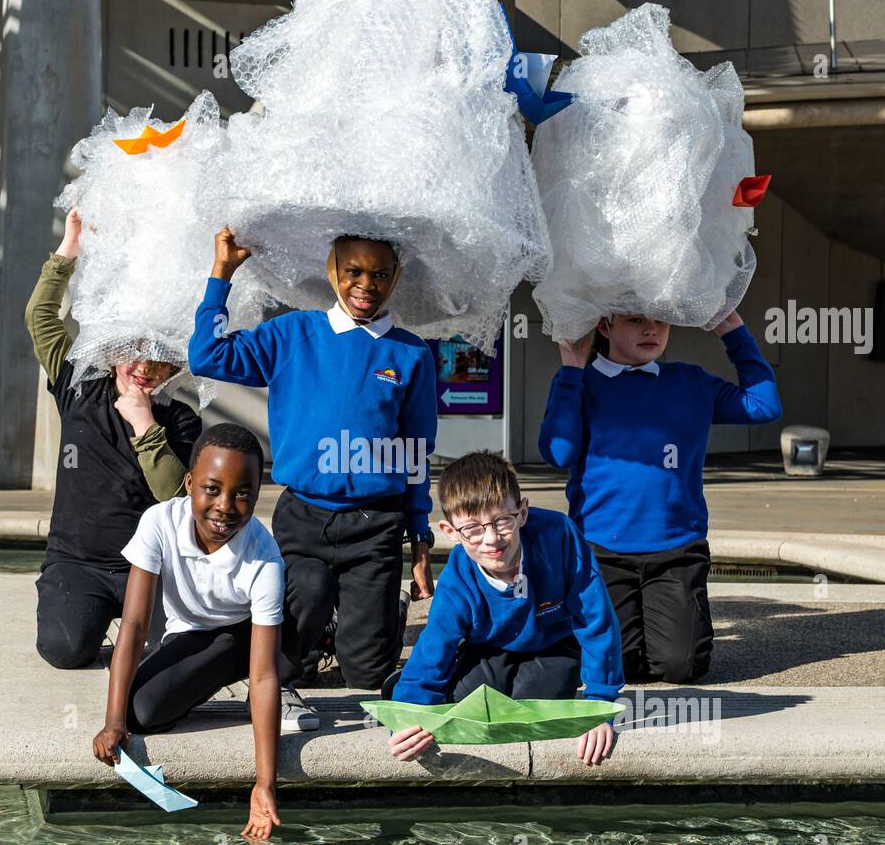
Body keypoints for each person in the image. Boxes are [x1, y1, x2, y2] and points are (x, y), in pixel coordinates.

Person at [188, 227, 438, 722]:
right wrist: (222, 274)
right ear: (333, 271)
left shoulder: (411, 355)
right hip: (303, 519)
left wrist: (420, 542)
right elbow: (206, 356)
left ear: (396, 278)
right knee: (293, 668)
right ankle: (317, 631)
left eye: (380, 275)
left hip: (376, 524)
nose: (366, 284)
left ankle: (368, 620)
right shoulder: (292, 334)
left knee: (366, 675)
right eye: (353, 272)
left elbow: (416, 453)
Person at [539, 310, 782, 684]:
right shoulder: (581, 382)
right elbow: (558, 452)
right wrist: (571, 369)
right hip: (602, 553)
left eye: (662, 320)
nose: (652, 329)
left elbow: (764, 406)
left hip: (676, 552)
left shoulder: (690, 381)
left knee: (680, 667)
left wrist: (731, 327)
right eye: (636, 320)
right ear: (605, 326)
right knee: (615, 668)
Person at [91, 423, 286, 842]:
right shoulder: (159, 522)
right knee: (138, 713)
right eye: (212, 489)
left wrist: (264, 783)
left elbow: (265, 676)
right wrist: (112, 722)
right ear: (189, 484)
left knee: (256, 653)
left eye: (242, 494)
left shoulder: (265, 557)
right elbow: (135, 625)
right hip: (191, 633)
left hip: (245, 634)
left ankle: (310, 632)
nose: (225, 506)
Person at [27, 207, 202, 669]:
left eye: (157, 359)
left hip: (148, 566)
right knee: (65, 650)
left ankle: (138, 631)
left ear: (173, 368)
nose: (142, 368)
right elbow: (40, 317)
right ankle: (92, 616)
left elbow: (173, 495)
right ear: (113, 349)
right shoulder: (80, 386)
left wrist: (145, 425)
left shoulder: (180, 420)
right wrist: (70, 248)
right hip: (76, 561)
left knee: (179, 651)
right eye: (132, 352)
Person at [383, 451, 622, 768]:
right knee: (462, 703)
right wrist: (410, 713)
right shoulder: (459, 577)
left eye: (502, 521)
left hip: (554, 642)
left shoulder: (559, 537)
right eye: (473, 529)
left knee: (534, 709)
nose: (491, 539)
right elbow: (436, 642)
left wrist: (599, 707)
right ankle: (400, 684)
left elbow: (596, 621)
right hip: (489, 645)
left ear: (522, 513)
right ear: (450, 531)